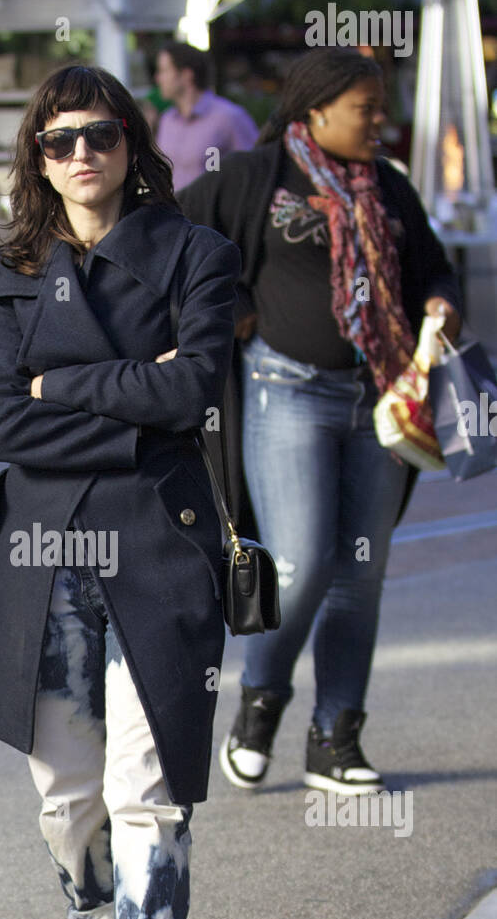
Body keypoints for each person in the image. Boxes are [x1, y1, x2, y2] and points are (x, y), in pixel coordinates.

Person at [0, 65, 240, 919]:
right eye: (57, 139)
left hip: (158, 547)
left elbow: (188, 389)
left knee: (147, 783)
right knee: (63, 797)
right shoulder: (10, 269)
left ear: (132, 143)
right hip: (39, 557)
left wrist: (62, 385)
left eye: (99, 134)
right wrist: (120, 394)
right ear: (36, 157)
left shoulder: (194, 253)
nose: (80, 154)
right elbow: (2, 421)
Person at [177, 48, 461, 794]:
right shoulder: (251, 176)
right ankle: (262, 698)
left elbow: (433, 265)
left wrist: (439, 301)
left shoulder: (389, 188)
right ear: (316, 111)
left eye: (380, 107)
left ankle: (337, 736)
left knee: (360, 573)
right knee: (301, 564)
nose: (380, 121)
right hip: (286, 392)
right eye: (366, 109)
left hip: (380, 402)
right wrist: (228, 309)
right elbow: (176, 239)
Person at [155, 41, 258, 191]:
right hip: (171, 212)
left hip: (213, 212)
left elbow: (254, 170)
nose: (158, 78)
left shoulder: (229, 117)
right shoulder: (167, 120)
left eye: (164, 71)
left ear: (186, 75)